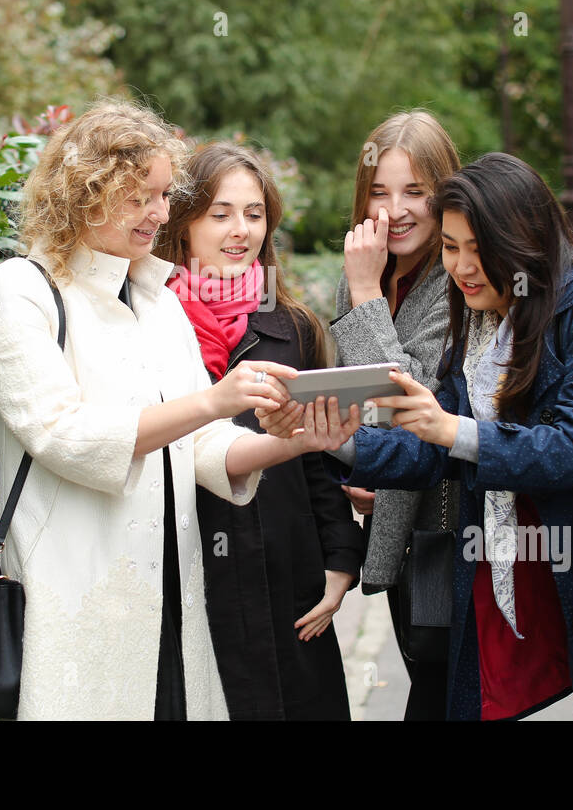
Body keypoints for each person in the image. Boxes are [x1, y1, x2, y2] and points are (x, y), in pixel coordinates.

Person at [265, 152, 573, 720]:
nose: (462, 266)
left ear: (525, 243)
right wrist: (330, 437)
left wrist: (455, 429)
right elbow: (432, 445)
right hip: (527, 593)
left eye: (480, 248)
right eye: (451, 247)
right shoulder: (478, 322)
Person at [0, 100, 356, 720]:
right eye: (139, 197)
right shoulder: (19, 290)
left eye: (161, 195)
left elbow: (203, 451)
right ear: (86, 192)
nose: (158, 214)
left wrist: (300, 440)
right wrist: (214, 398)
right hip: (80, 600)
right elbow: (64, 436)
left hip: (176, 602)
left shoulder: (156, 296)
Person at [156, 141, 364, 720]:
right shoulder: (152, 323)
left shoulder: (290, 325)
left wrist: (340, 559)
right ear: (184, 221)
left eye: (253, 213)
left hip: (287, 573)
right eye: (219, 213)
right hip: (192, 575)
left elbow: (317, 455)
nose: (239, 230)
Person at [330, 109, 461, 720]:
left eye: (415, 191)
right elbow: (352, 397)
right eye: (379, 192)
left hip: (450, 532)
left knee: (443, 695)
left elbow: (411, 399)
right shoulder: (363, 268)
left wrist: (364, 295)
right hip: (394, 529)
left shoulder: (456, 278)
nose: (396, 209)